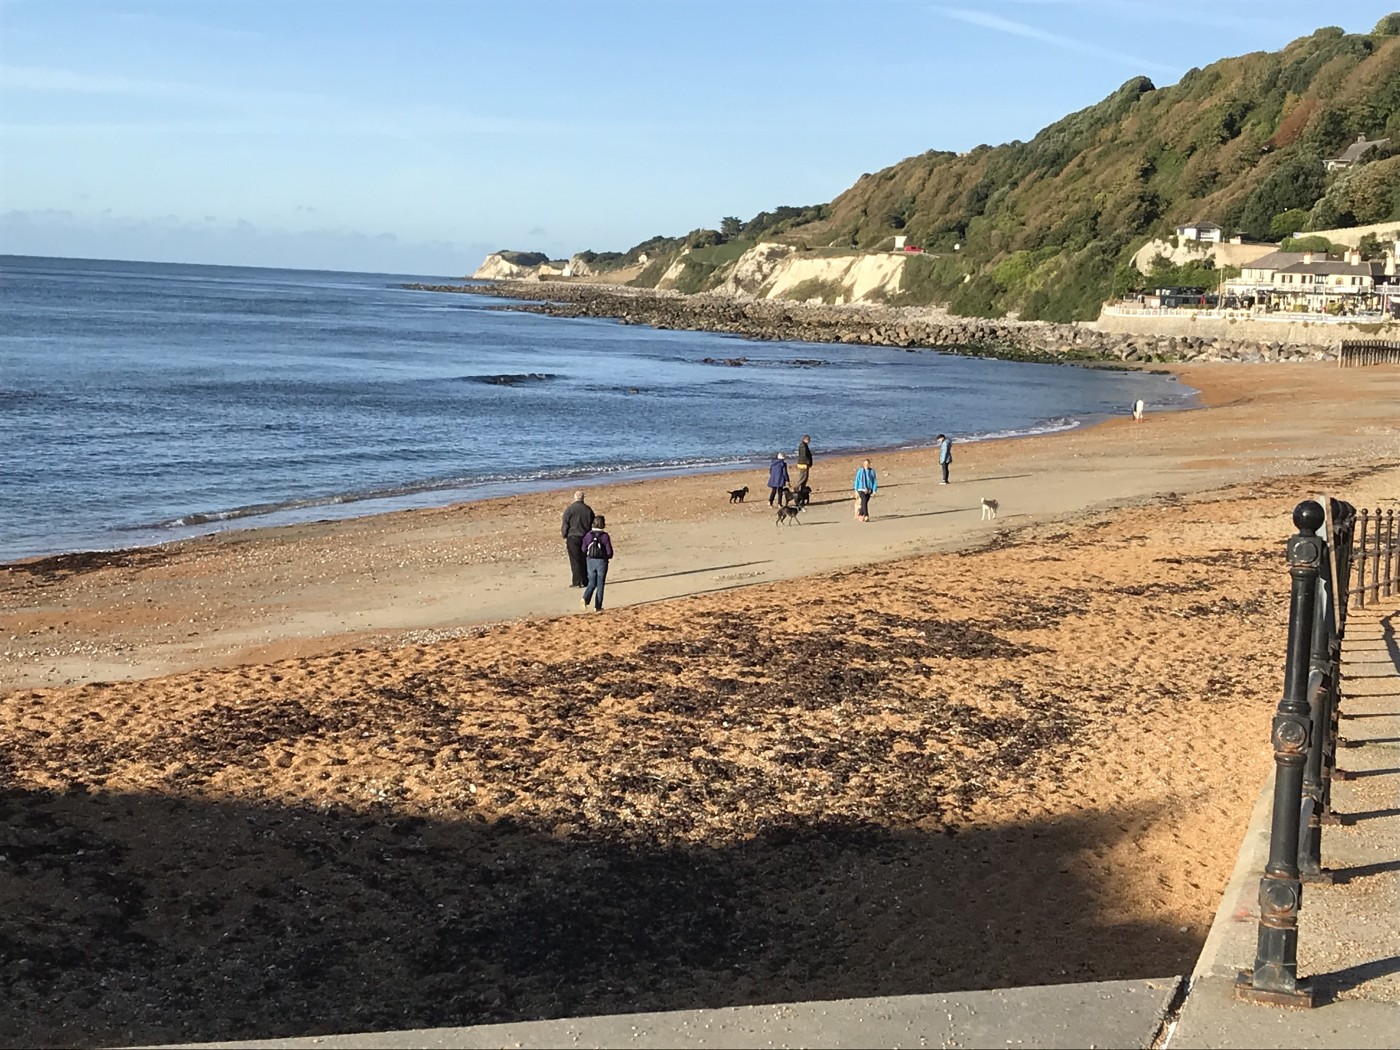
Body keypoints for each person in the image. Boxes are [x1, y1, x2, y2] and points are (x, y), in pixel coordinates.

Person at [560, 490, 595, 588]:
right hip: (585, 537)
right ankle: (585, 580)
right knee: (584, 558)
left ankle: (577, 581)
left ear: (575, 498)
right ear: (583, 498)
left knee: (575, 559)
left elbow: (565, 523)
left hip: (573, 537)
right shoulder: (588, 510)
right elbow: (592, 523)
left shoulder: (570, 509)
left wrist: (564, 534)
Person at [580, 515, 613, 612]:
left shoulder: (588, 535)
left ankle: (585, 598)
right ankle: (597, 606)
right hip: (602, 562)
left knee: (592, 582)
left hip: (590, 561)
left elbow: (583, 549)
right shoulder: (605, 536)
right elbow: (609, 552)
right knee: (600, 584)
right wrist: (607, 557)